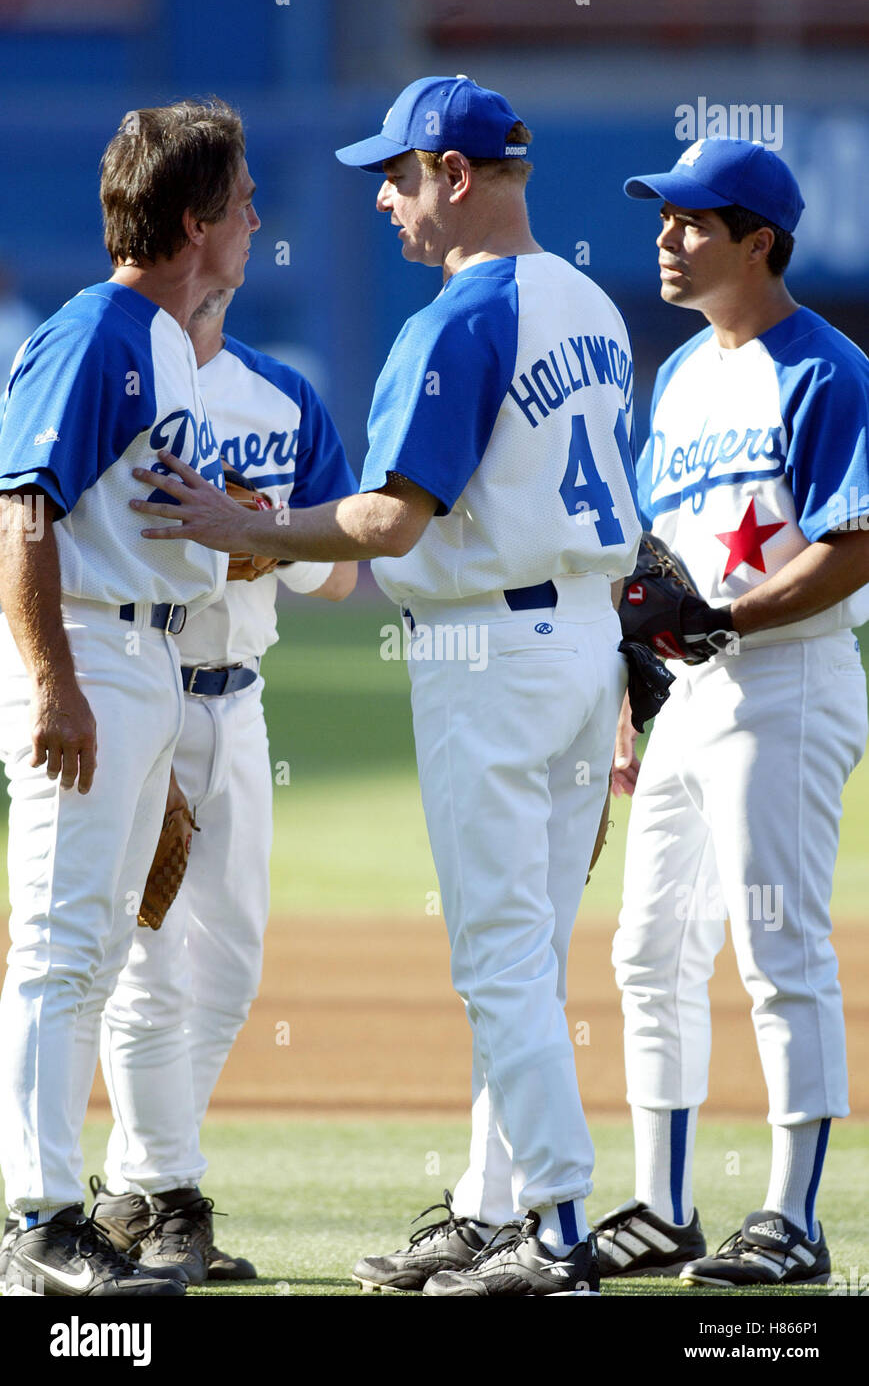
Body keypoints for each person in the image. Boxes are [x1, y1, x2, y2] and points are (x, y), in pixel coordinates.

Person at [126, 74, 643, 1298]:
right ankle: (489, 1206)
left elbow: (389, 523)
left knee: (498, 961)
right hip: (582, 641)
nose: (381, 200)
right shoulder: (593, 304)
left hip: (490, 656)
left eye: (398, 177)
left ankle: (552, 1233)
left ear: (453, 176)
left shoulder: (456, 319)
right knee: (531, 953)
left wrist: (234, 521)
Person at [592, 137, 869, 1288]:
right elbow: (657, 560)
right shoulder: (682, 379)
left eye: (691, 221)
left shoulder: (825, 368)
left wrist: (731, 622)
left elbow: (853, 544)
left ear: (757, 240)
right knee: (648, 947)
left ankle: (792, 1219)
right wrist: (627, 689)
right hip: (694, 690)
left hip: (785, 681)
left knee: (776, 944)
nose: (664, 236)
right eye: (662, 216)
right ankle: (662, 1203)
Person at [0, 97, 257, 1298]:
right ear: (196, 220)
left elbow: (147, 523)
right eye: (243, 200)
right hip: (92, 652)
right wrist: (54, 680)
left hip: (144, 659)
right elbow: (23, 505)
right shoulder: (100, 329)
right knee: (58, 950)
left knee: (97, 946)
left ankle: (63, 1211)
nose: (257, 218)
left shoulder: (163, 344)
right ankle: (41, 1219)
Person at [88, 287, 357, 1286]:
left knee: (231, 967)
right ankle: (168, 1197)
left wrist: (266, 535)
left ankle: (133, 1186)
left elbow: (335, 575)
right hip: (143, 684)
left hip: (238, 701)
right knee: (149, 963)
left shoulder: (279, 395)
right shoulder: (113, 379)